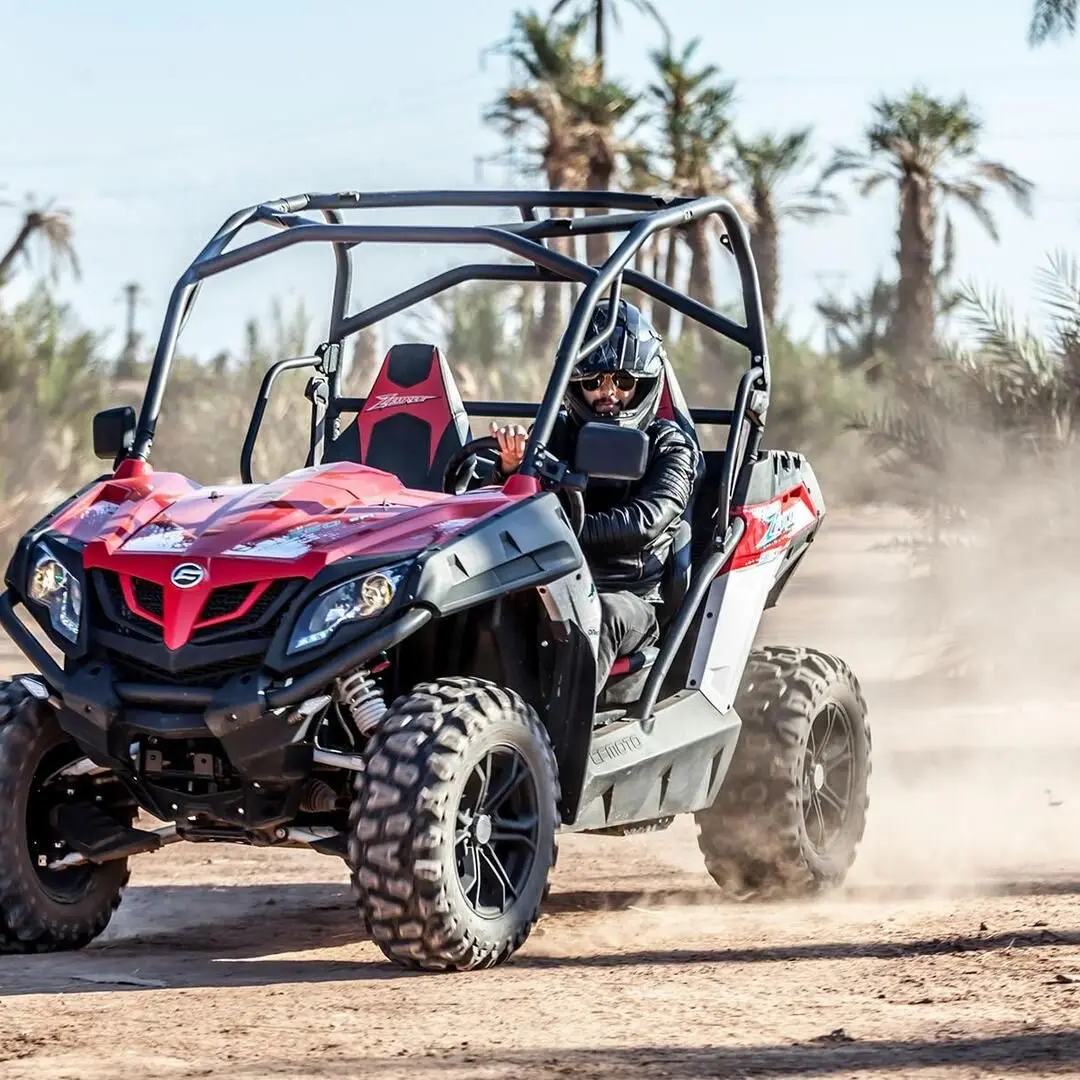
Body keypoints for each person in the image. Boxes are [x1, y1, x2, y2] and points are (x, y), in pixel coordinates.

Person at [488, 299, 700, 699]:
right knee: (485, 609)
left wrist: (556, 533)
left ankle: (559, 753)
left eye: (622, 381)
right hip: (548, 580)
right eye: (594, 382)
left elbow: (646, 521)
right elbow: (509, 502)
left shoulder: (670, 447)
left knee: (596, 617)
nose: (609, 394)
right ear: (576, 385)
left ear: (644, 382)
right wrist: (510, 469)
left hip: (629, 596)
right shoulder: (555, 432)